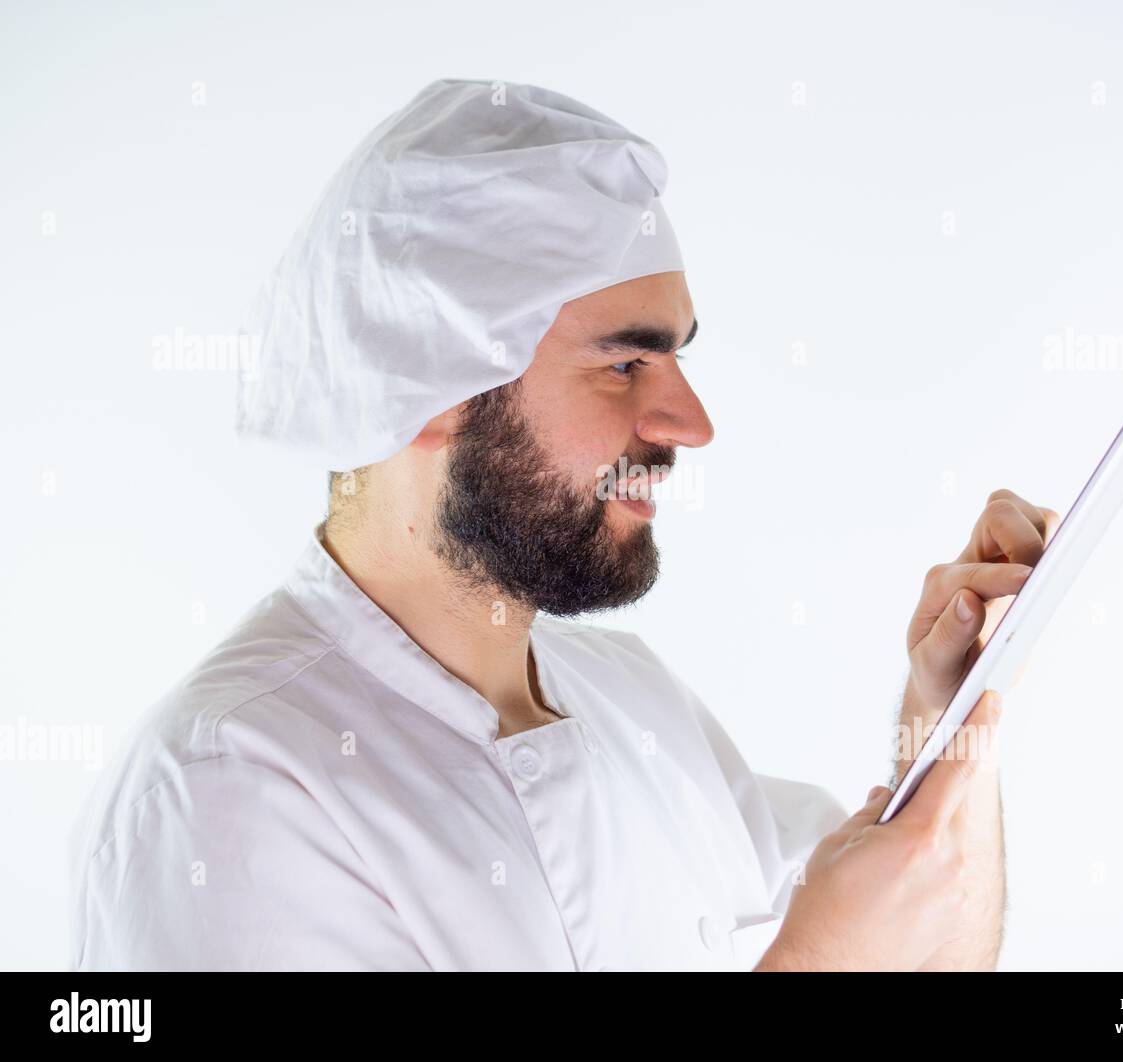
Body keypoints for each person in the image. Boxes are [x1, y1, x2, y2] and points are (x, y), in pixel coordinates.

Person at [69, 78, 1057, 971]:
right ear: (430, 382)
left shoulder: (634, 704)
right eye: (624, 365)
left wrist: (954, 725)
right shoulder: (228, 789)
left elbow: (924, 948)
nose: (691, 425)